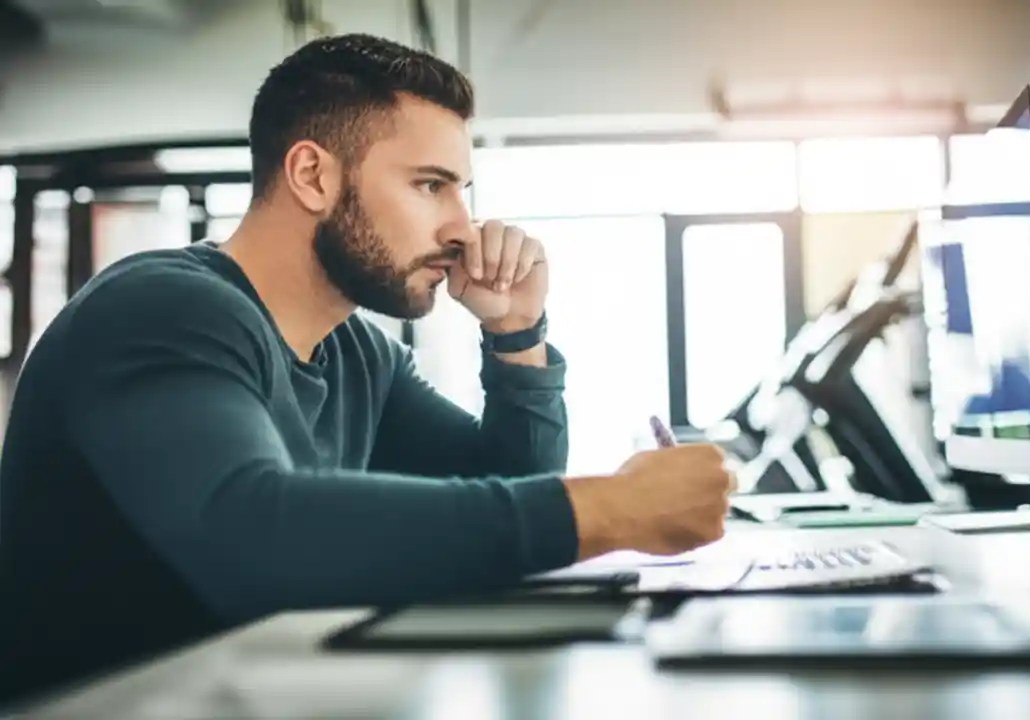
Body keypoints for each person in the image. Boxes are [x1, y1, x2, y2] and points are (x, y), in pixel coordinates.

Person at [0, 33, 734, 699]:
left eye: (461, 191)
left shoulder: (357, 351)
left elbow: (507, 483)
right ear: (312, 176)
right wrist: (610, 507)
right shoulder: (161, 310)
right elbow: (252, 534)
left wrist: (515, 336)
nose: (462, 227)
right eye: (429, 185)